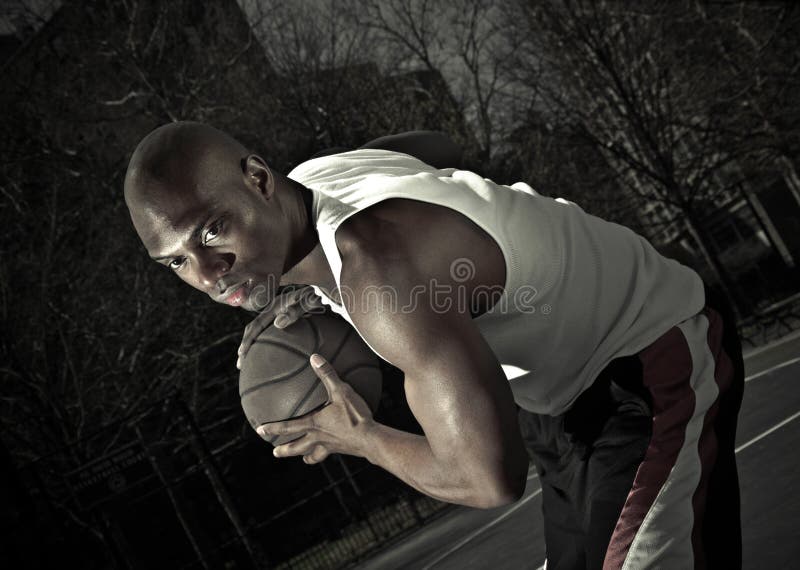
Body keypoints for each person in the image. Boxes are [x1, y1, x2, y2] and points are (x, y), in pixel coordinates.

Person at [123, 121, 744, 569]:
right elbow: (431, 147)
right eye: (175, 261)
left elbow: (488, 479)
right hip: (557, 399)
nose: (207, 274)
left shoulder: (380, 268)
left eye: (212, 230)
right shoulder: (312, 180)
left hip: (649, 356)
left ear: (258, 178)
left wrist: (357, 436)